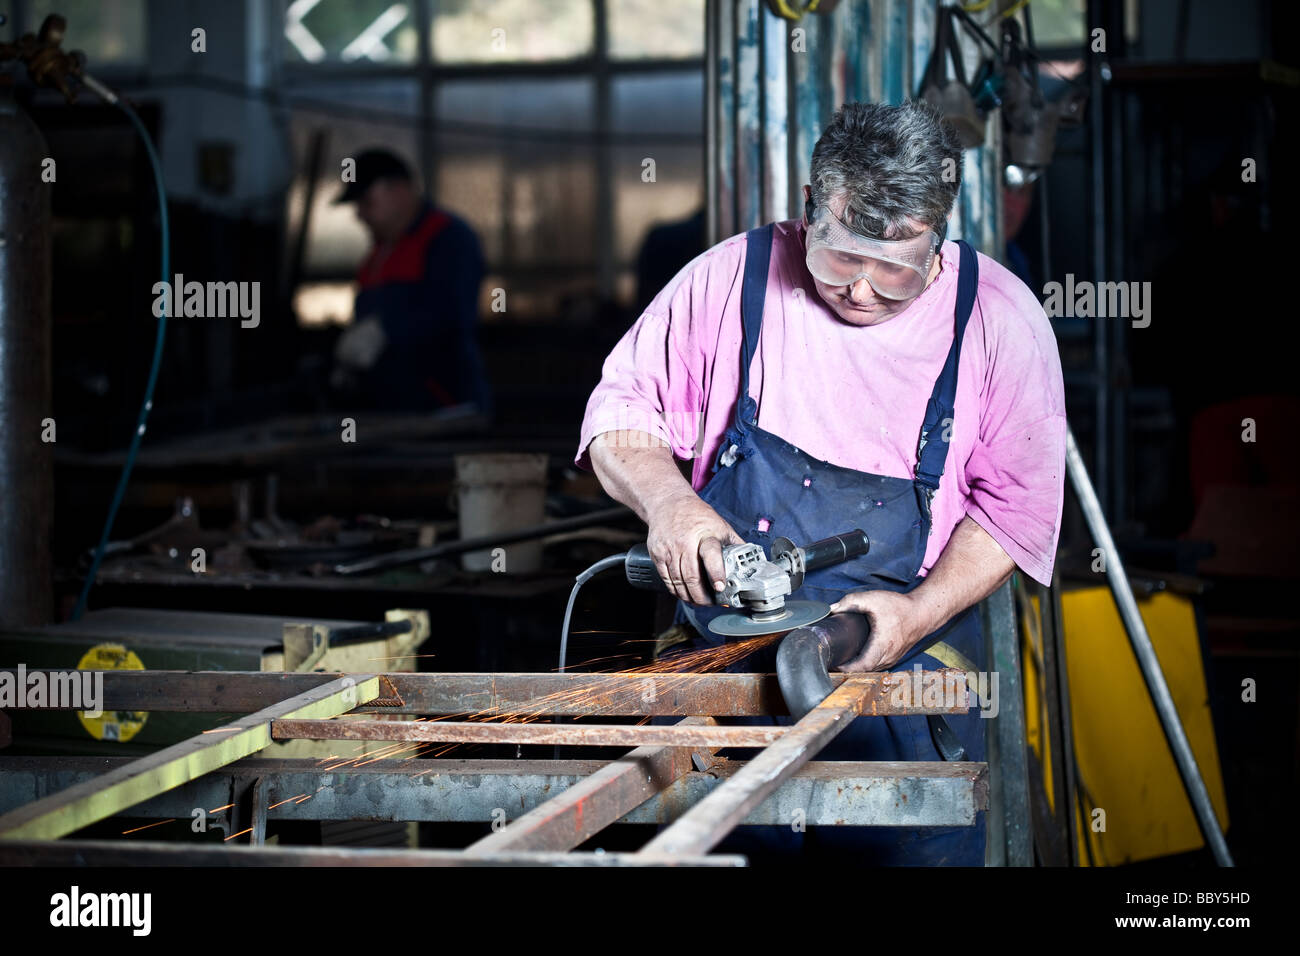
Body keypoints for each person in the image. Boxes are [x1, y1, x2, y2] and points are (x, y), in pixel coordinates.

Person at [574, 101, 1067, 864]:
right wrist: (671, 505)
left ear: (938, 236)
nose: (863, 290)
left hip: (903, 679)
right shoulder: (731, 281)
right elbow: (620, 417)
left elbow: (1015, 513)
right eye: (842, 260)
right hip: (722, 690)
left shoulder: (998, 321)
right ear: (811, 211)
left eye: (897, 268)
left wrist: (916, 611)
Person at [331, 149, 492, 414]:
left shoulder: (448, 238)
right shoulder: (376, 256)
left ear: (400, 190)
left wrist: (386, 331)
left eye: (366, 201)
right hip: (390, 413)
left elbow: (452, 315)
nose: (359, 214)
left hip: (446, 409)